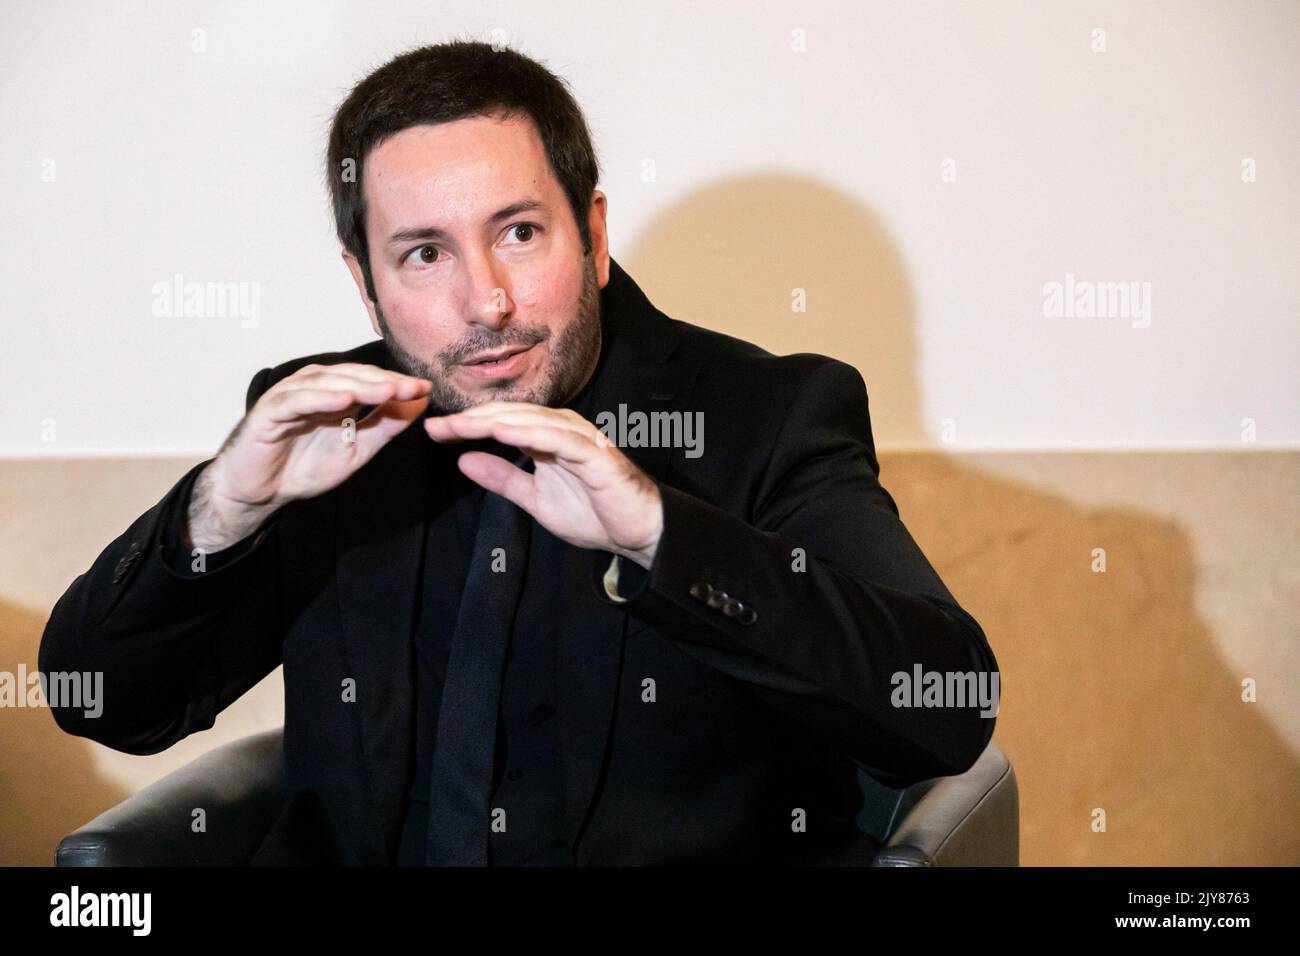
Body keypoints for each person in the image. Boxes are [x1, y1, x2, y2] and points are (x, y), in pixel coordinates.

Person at [39, 40, 1000, 866]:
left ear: (593, 231)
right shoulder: (325, 425)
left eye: (521, 233)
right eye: (424, 253)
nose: (486, 301)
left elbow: (943, 709)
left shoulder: (770, 412)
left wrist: (666, 541)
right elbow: (105, 703)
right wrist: (223, 513)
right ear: (365, 283)